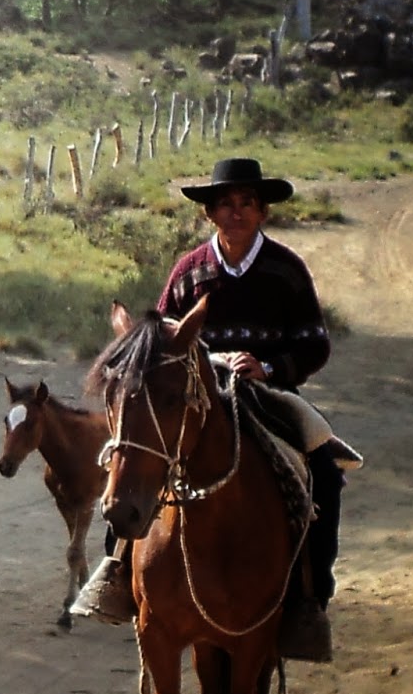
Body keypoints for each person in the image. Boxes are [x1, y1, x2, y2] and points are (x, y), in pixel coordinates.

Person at [72, 157, 349, 662]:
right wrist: (200, 363)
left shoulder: (286, 270)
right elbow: (157, 344)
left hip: (264, 392)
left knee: (325, 471)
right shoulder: (189, 270)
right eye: (226, 204)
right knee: (132, 460)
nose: (236, 213)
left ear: (263, 211)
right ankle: (116, 570)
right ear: (210, 214)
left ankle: (310, 599)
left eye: (246, 203)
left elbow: (314, 344)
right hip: (195, 396)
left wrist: (269, 367)